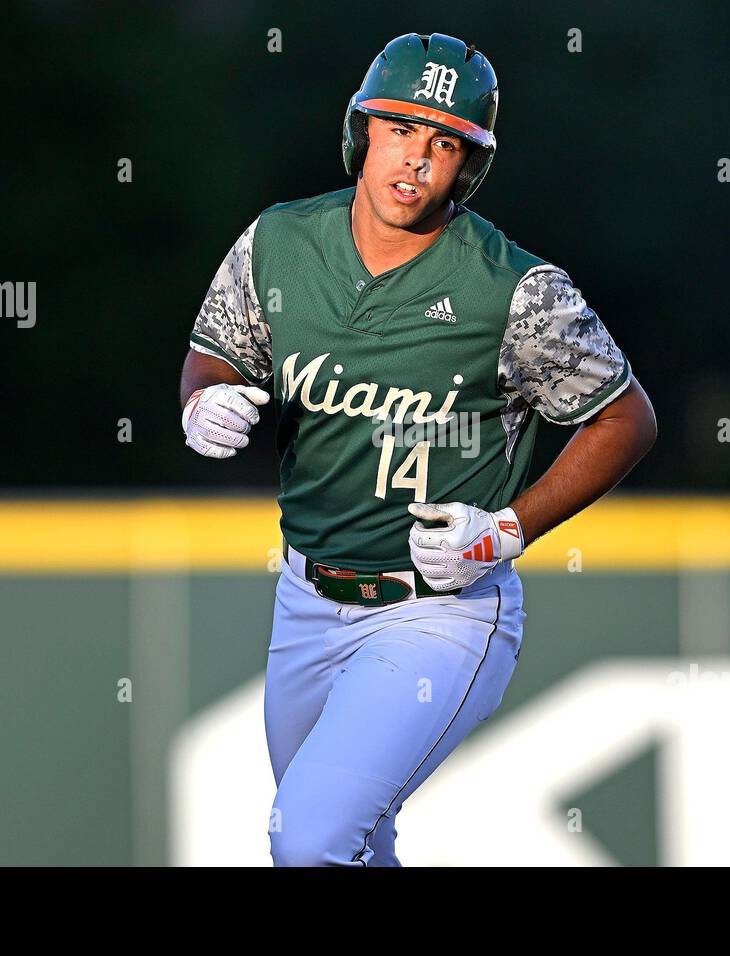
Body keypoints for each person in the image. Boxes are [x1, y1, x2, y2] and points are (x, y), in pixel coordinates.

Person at [178, 32, 657, 866]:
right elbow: (219, 350)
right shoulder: (279, 242)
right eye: (401, 128)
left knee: (313, 838)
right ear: (362, 129)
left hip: (439, 608)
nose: (416, 159)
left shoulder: (512, 287)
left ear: (469, 166)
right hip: (305, 593)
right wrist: (201, 396)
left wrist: (507, 528)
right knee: (354, 848)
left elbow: (626, 419)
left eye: (446, 143)